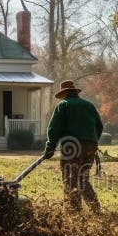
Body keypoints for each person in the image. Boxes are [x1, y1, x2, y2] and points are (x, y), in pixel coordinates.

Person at [43, 79, 103, 213]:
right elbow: (99, 126)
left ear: (64, 94)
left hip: (72, 146)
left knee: (70, 178)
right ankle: (95, 209)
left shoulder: (63, 105)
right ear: (74, 92)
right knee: (83, 178)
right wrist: (91, 143)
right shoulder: (89, 106)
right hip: (90, 146)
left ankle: (74, 212)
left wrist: (50, 148)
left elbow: (54, 129)